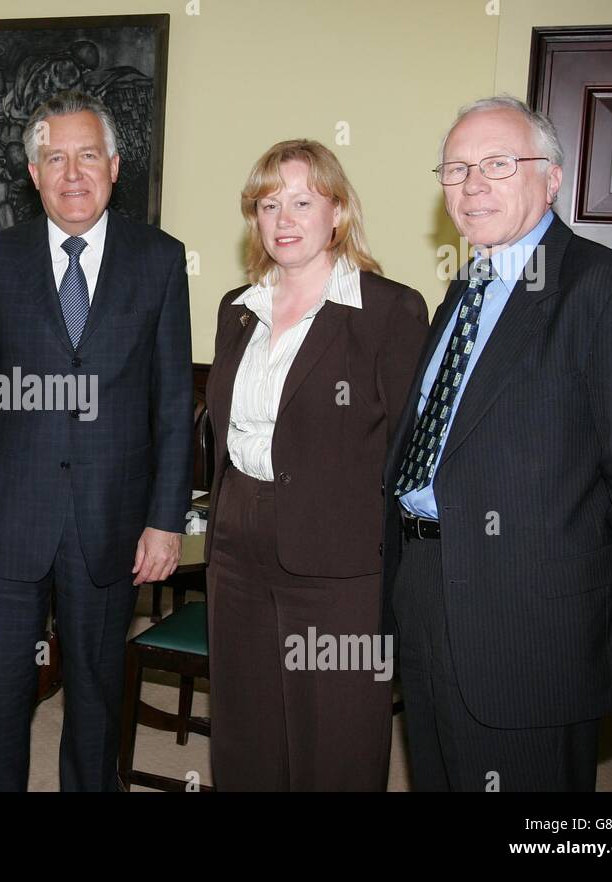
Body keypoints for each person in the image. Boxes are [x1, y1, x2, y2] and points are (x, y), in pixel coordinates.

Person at [383, 96, 612, 791]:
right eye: (456, 168)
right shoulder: (464, 290)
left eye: (497, 163)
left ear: (551, 178)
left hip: (537, 621)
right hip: (428, 590)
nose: (471, 184)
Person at [0, 90, 193, 791]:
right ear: (33, 173)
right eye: (55, 158)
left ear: (114, 167)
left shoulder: (161, 261)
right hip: (6, 519)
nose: (72, 173)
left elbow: (173, 405)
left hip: (110, 523)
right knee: (0, 696)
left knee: (94, 698)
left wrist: (166, 520)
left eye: (87, 156)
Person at [203, 140, 429, 791]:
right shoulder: (236, 309)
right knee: (246, 732)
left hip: (341, 557)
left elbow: (411, 453)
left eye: (302, 201)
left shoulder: (389, 310)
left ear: (338, 211)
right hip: (238, 540)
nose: (284, 218)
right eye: (269, 204)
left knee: (337, 739)